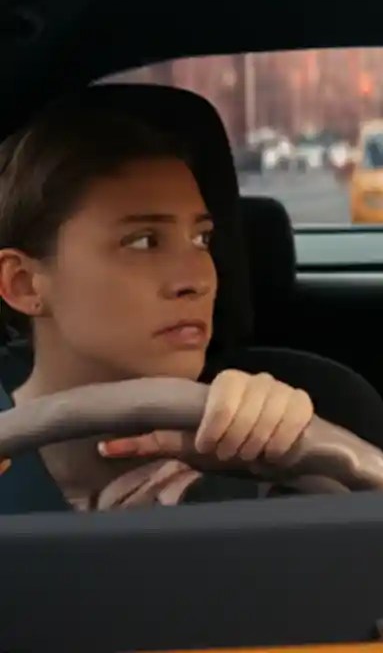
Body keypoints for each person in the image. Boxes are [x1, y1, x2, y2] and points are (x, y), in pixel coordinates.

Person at [0, 99, 315, 512]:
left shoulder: (266, 446)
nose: (198, 280)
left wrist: (294, 466)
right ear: (23, 284)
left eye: (201, 240)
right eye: (143, 241)